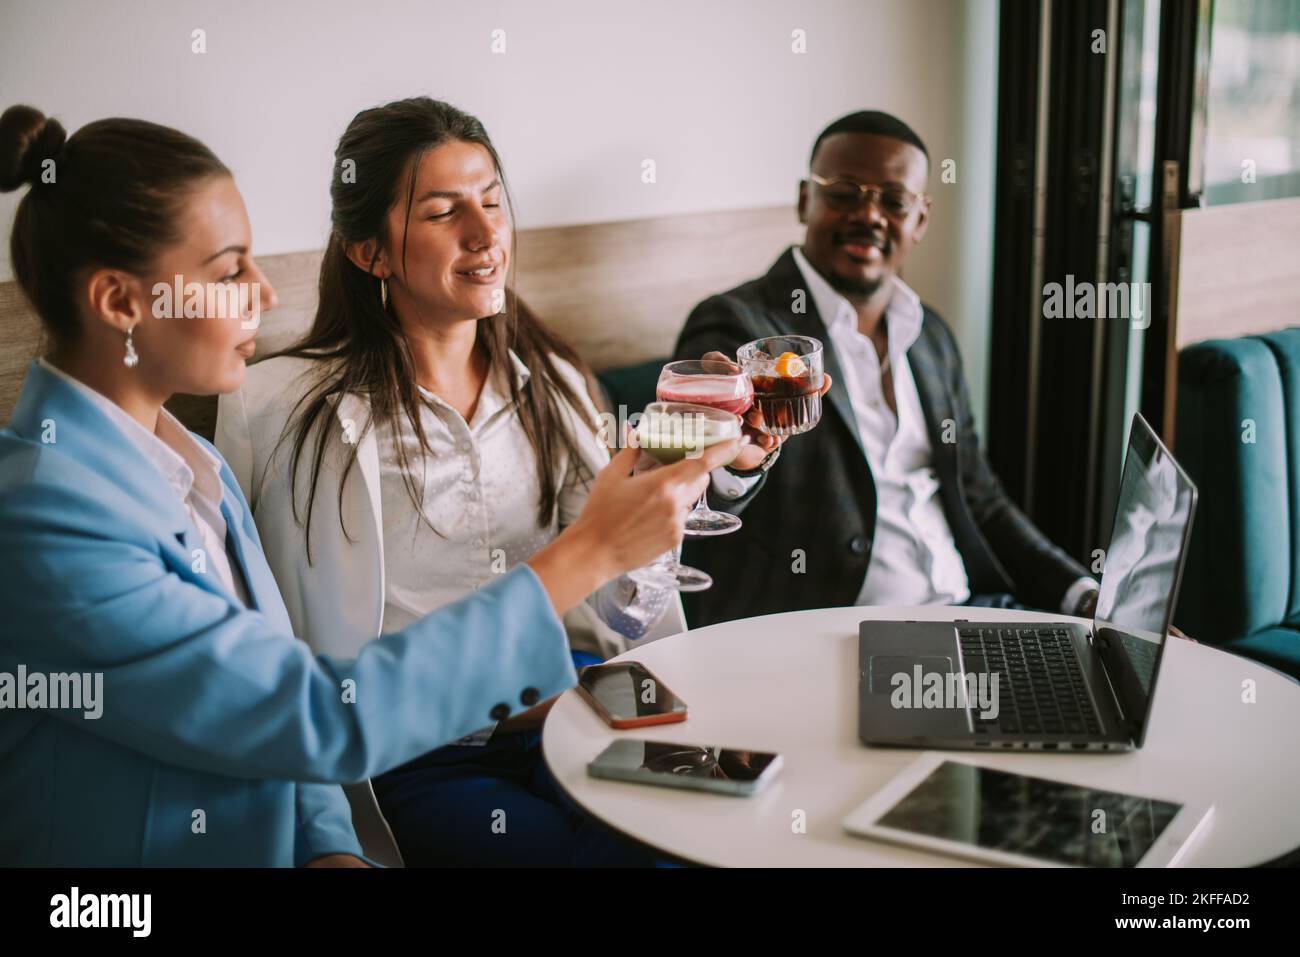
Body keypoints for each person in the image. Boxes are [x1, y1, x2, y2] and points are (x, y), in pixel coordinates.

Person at [0, 104, 738, 866]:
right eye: (229, 271)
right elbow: (314, 712)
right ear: (121, 302)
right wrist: (587, 551)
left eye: (492, 201)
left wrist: (329, 847)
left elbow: (280, 684)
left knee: (716, 818)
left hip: (559, 714)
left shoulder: (193, 468)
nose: (266, 293)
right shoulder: (45, 518)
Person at [216, 97, 775, 866]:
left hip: (582, 707)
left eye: (491, 201)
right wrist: (318, 837)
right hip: (422, 750)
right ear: (370, 251)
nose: (486, 234)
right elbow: (262, 647)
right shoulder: (277, 409)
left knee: (724, 823)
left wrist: (706, 464)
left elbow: (623, 605)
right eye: (445, 212)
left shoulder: (555, 382)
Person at [673, 110, 1096, 627]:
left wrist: (1083, 594)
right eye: (844, 192)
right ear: (805, 200)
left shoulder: (932, 336)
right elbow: (701, 494)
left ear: (920, 220)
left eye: (894, 201)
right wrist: (736, 465)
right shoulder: (736, 328)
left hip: (968, 612)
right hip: (824, 629)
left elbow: (981, 499)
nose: (869, 215)